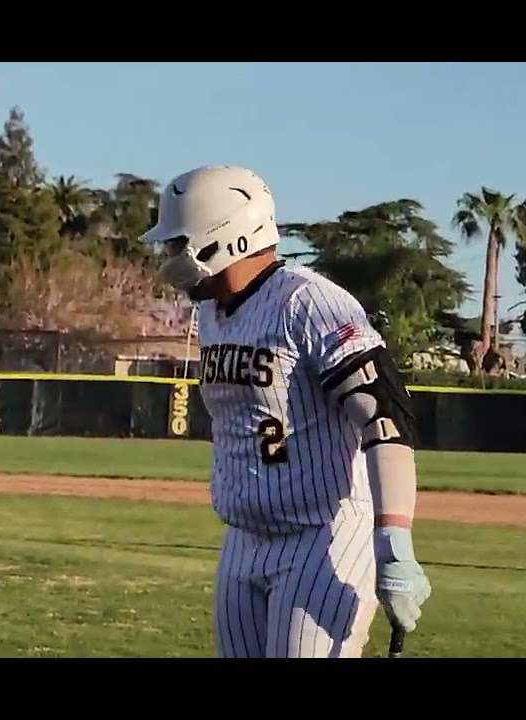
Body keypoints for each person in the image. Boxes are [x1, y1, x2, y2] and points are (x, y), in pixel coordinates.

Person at [139, 165, 432, 658]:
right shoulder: (211, 311)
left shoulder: (309, 302)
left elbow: (386, 421)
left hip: (321, 533)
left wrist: (394, 540)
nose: (170, 256)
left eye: (177, 243)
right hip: (243, 535)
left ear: (220, 239)